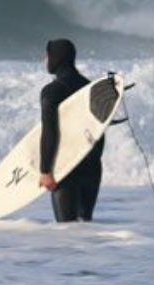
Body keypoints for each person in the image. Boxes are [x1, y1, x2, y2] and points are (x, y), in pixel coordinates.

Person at [37, 38, 104, 222]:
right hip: (92, 168)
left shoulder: (52, 91)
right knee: (85, 226)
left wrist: (45, 170)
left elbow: (50, 132)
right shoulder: (90, 87)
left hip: (67, 168)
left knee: (67, 232)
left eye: (47, 55)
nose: (45, 60)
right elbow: (99, 131)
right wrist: (94, 161)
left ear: (56, 58)